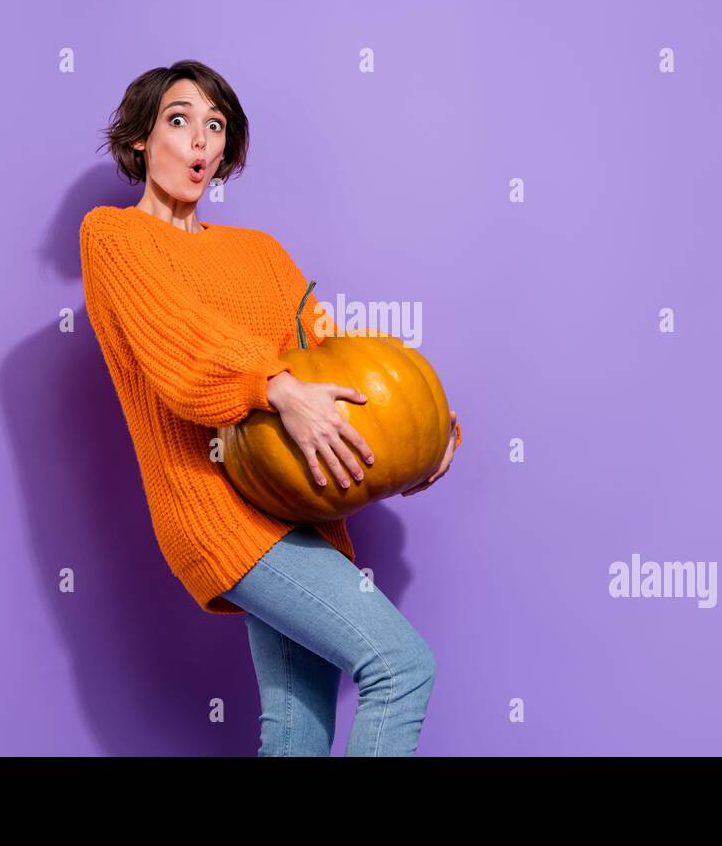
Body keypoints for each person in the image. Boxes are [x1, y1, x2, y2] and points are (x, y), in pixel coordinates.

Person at [80, 60, 461, 755]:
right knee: (401, 668)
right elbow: (182, 348)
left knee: (296, 733)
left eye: (215, 126)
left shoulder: (259, 252)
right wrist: (276, 387)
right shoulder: (114, 237)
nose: (199, 141)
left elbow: (335, 352)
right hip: (217, 513)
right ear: (140, 139)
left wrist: (430, 423)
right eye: (179, 119)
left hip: (297, 506)